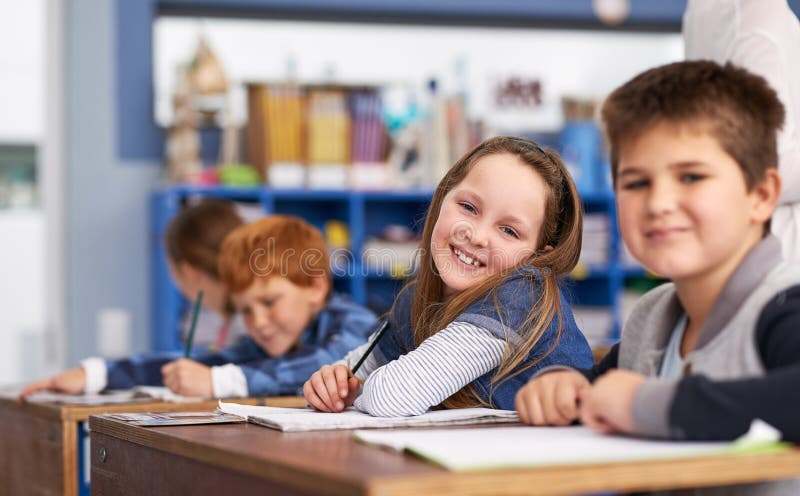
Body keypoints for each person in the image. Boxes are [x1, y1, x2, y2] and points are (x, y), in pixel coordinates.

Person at [516, 61, 800, 480]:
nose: (659, 203)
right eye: (636, 183)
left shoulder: (783, 305)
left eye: (691, 176)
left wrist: (647, 406)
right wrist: (563, 385)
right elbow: (604, 389)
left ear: (760, 195)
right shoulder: (651, 316)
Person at [304, 136, 594, 416]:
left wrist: (361, 389)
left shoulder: (523, 295)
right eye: (468, 207)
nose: (477, 236)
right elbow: (349, 374)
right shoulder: (414, 301)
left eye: (509, 231)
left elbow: (391, 395)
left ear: (538, 255)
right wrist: (333, 385)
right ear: (442, 197)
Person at [21, 214, 377, 399]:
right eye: (245, 310)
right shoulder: (268, 344)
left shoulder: (355, 323)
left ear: (315, 286)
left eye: (269, 302)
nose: (258, 322)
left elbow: (330, 365)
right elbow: (202, 365)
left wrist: (220, 381)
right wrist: (97, 374)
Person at [683, 0, 800, 265]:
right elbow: (769, 165)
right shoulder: (756, 12)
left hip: (742, 243)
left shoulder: (702, 11)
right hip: (780, 250)